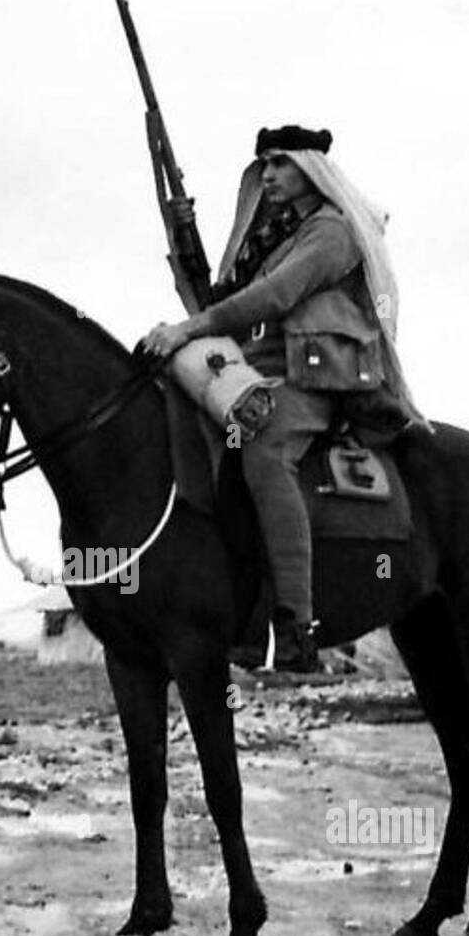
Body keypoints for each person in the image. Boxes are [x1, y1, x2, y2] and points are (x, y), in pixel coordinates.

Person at [142, 124, 430, 671]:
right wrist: (185, 242)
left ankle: (296, 626)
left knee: (265, 452)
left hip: (311, 383)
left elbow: (275, 295)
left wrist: (190, 328)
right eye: (264, 167)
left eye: (280, 164)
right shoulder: (273, 236)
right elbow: (223, 299)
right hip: (250, 375)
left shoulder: (334, 232)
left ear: (312, 170)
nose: (268, 175)